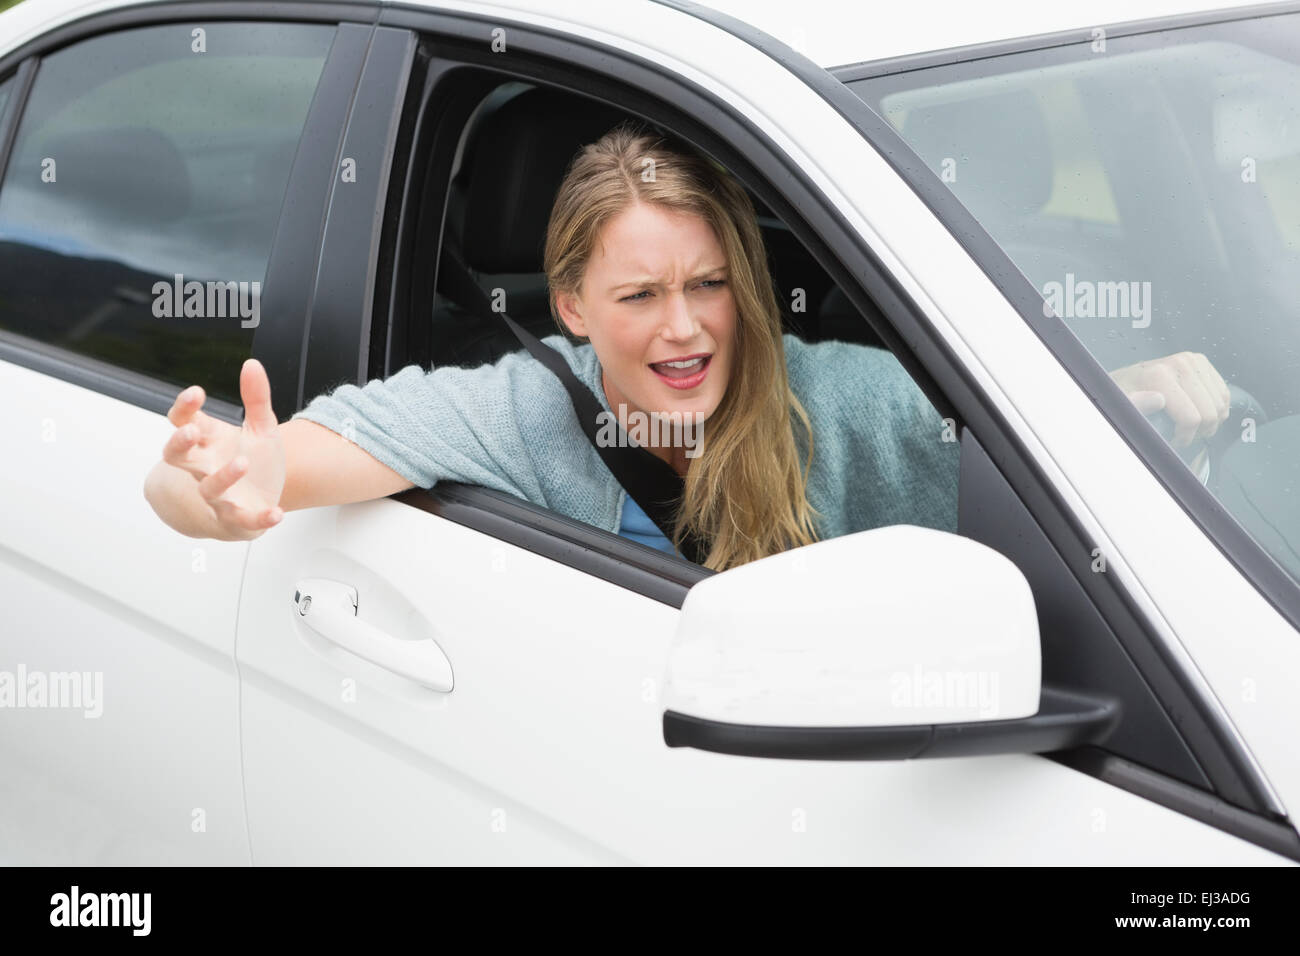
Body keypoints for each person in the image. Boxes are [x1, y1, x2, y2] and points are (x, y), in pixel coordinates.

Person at [143, 123, 1231, 571]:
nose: (686, 324)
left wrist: (1127, 402)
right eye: (641, 293)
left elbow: (1023, 452)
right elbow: (273, 463)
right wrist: (221, 478)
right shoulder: (526, 408)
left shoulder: (839, 401)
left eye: (711, 284)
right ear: (570, 303)